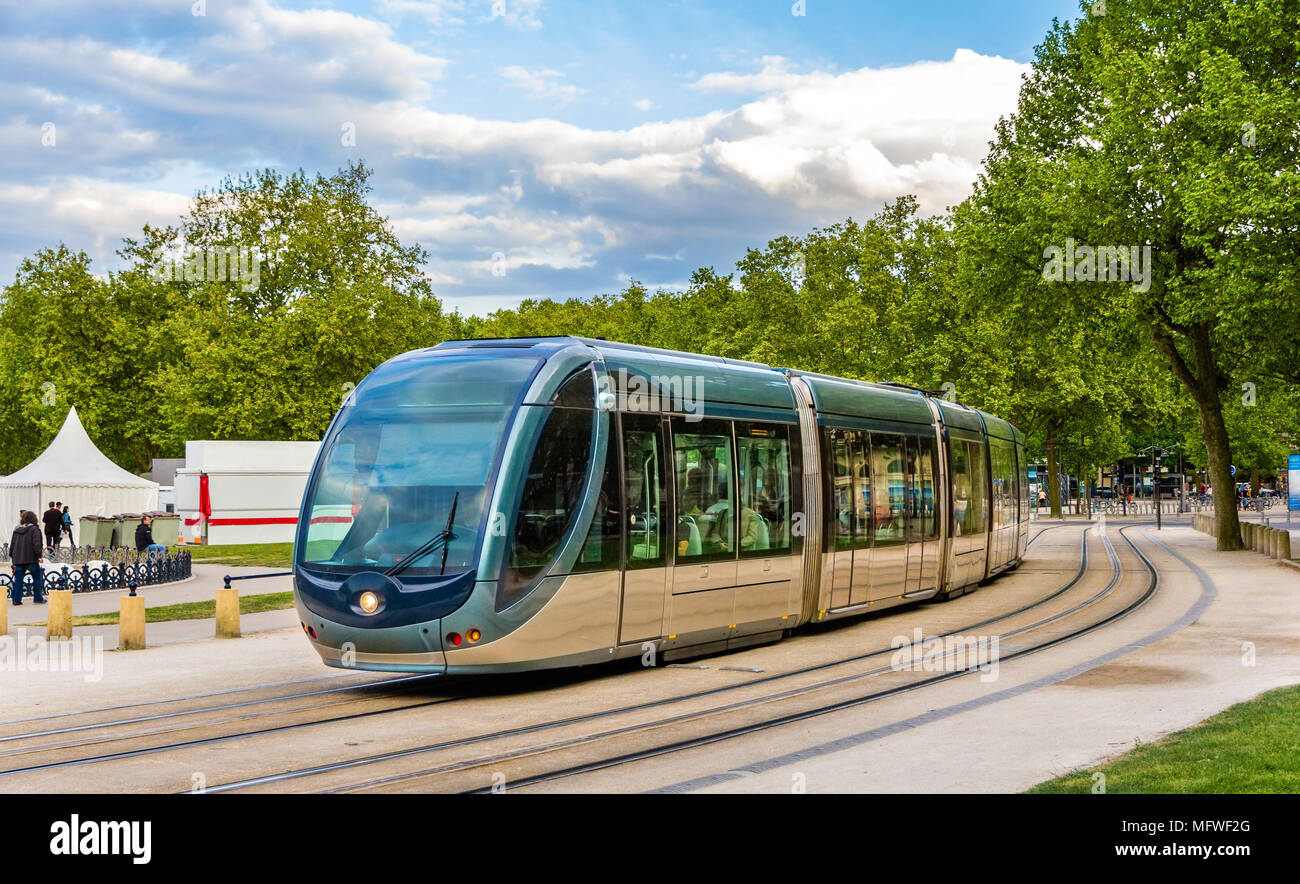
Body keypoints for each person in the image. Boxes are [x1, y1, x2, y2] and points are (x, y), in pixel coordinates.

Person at [10, 510, 46, 605]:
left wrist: (12, 558)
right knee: (37, 578)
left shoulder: (16, 530)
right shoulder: (35, 529)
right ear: (34, 519)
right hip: (31, 559)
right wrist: (39, 556)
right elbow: (37, 544)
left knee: (18, 580)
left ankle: (16, 600)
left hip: (18, 560)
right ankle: (38, 598)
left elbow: (12, 546)